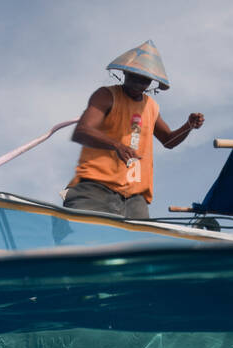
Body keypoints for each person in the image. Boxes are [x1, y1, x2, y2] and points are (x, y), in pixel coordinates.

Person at [63, 40, 205, 220]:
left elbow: (168, 141)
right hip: (96, 188)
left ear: (151, 82)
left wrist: (188, 126)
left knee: (134, 242)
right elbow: (82, 131)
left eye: (144, 79)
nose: (138, 83)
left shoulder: (151, 107)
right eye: (134, 76)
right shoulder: (107, 95)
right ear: (124, 72)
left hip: (135, 197)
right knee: (85, 238)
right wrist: (116, 145)